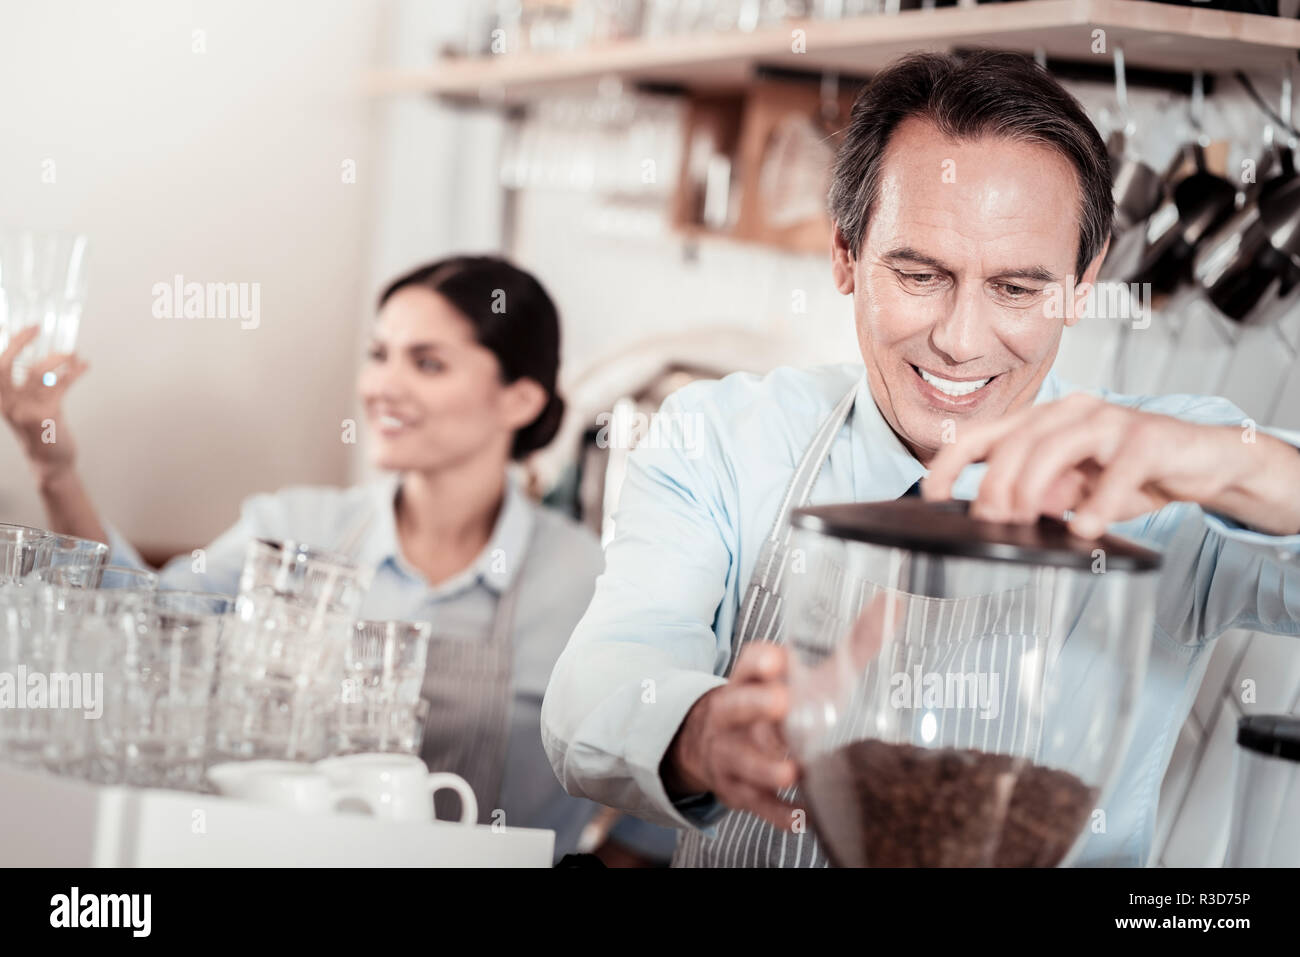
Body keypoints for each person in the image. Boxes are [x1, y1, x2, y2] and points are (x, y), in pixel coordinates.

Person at [540, 51, 1300, 867]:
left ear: (1084, 281)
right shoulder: (728, 436)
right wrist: (703, 731)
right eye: (919, 273)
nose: (960, 340)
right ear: (845, 254)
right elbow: (600, 684)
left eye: (1017, 289)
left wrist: (1240, 466)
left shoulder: (1175, 470)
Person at [1, 254, 606, 862]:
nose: (380, 387)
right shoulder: (294, 530)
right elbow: (150, 623)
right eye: (378, 355)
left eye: (427, 363)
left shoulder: (585, 581)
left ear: (519, 400)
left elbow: (646, 808)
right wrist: (55, 470)